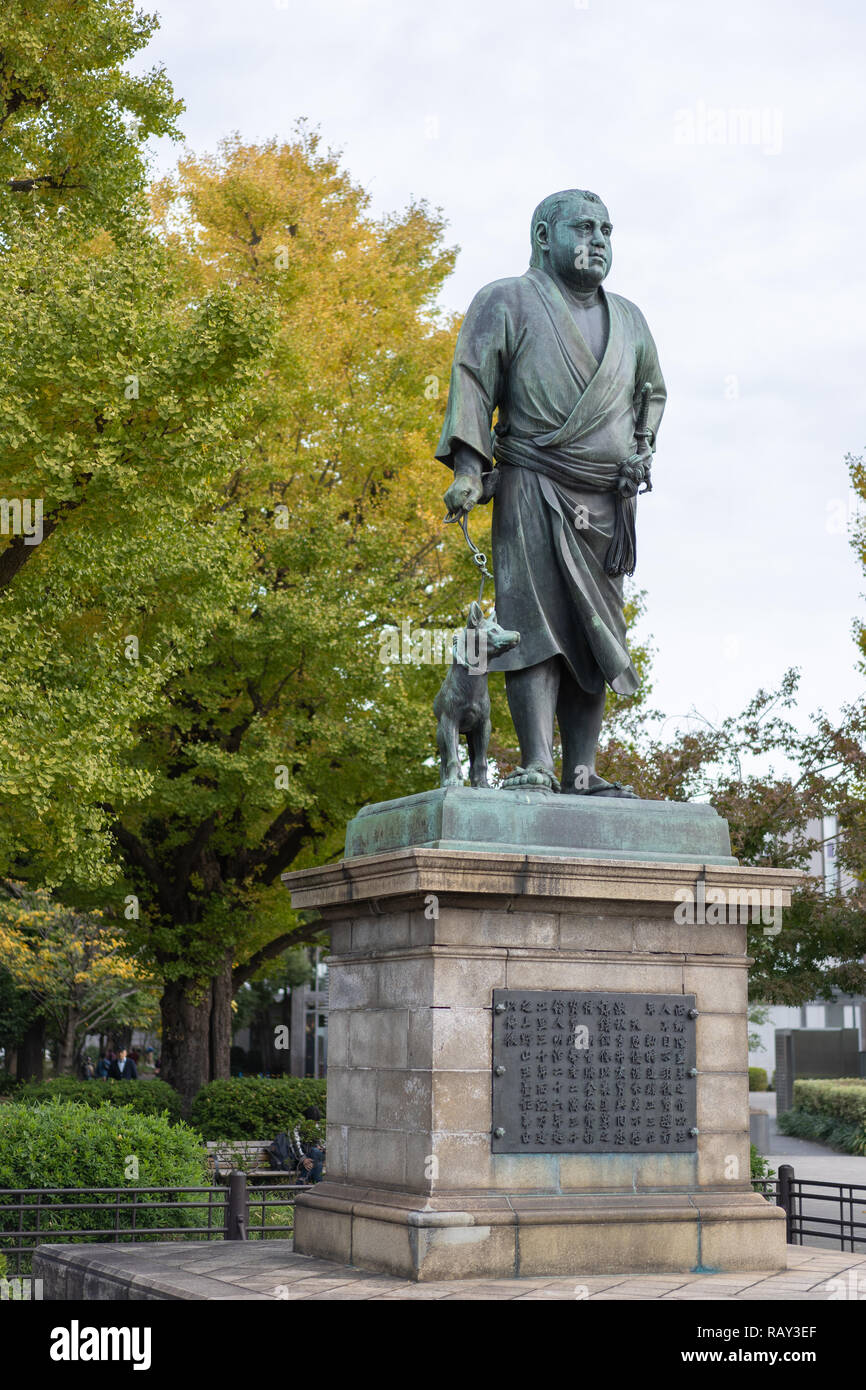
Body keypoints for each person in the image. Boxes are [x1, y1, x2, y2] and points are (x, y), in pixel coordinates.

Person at [438, 188, 666, 795]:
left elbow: (652, 393)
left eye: (606, 230)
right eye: (583, 228)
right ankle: (538, 761)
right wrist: (467, 469)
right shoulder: (504, 300)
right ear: (545, 236)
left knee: (597, 634)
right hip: (531, 482)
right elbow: (472, 382)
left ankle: (583, 770)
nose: (598, 241)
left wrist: (644, 440)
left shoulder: (631, 318)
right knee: (532, 625)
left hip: (607, 500)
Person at [293, 1106, 325, 1184]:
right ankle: (318, 1183)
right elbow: (295, 1145)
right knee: (316, 1157)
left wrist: (322, 1148)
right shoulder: (298, 1127)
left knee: (315, 1151)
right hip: (300, 1159)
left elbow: (323, 1142)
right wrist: (303, 1159)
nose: (315, 1124)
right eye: (313, 1121)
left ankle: (301, 1181)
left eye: (316, 1122)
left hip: (316, 1156)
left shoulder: (317, 1127)